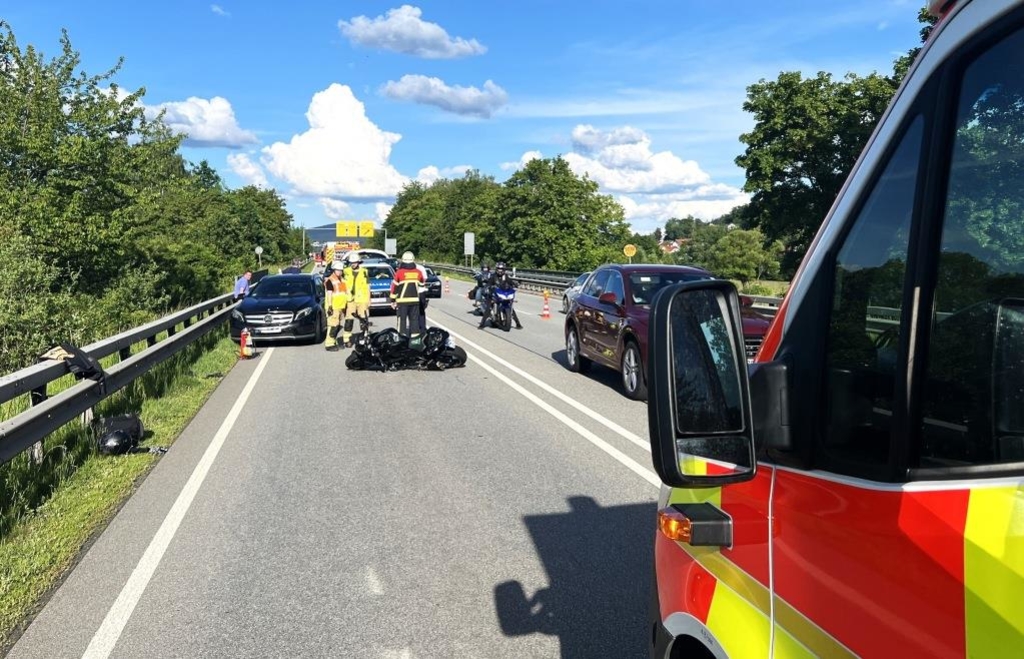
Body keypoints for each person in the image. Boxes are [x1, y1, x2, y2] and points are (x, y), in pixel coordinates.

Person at [478, 262, 523, 330]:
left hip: (503, 293)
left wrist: (515, 284)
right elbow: (489, 283)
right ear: (496, 269)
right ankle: (482, 324)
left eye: (502, 269)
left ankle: (518, 324)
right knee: (489, 308)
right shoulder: (493, 276)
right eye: (499, 269)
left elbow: (510, 282)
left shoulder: (505, 276)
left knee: (510, 308)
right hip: (493, 294)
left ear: (504, 270)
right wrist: (487, 287)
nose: (500, 270)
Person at [391, 251, 425, 338]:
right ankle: (415, 341)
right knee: (414, 321)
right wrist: (422, 302)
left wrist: (392, 300)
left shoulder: (399, 272)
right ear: (413, 260)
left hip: (402, 302)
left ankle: (401, 340)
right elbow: (422, 288)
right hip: (415, 302)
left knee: (402, 321)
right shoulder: (419, 272)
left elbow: (394, 288)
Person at [341, 252, 371, 347]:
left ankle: (364, 337)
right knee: (349, 319)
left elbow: (368, 286)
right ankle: (347, 339)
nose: (353, 264)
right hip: (350, 299)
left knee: (363, 319)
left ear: (358, 262)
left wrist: (369, 300)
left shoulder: (364, 272)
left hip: (362, 298)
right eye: (351, 262)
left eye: (354, 262)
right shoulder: (345, 271)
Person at [323, 261, 348, 351]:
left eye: (341, 270)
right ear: (334, 270)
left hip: (340, 306)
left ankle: (333, 341)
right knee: (333, 325)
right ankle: (329, 344)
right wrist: (330, 306)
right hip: (333, 307)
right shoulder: (330, 280)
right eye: (338, 270)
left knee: (337, 325)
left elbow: (343, 293)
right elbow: (329, 294)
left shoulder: (341, 280)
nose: (340, 272)